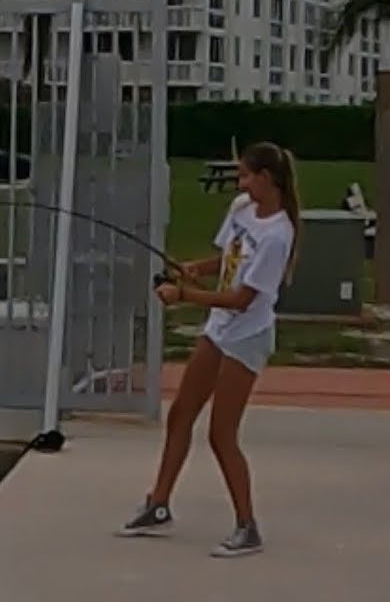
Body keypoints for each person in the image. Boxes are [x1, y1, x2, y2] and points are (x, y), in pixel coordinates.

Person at [115, 141, 301, 558]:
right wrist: (197, 269)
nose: (240, 182)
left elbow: (242, 299)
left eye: (246, 175)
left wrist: (182, 294)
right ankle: (158, 503)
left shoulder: (278, 235)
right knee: (181, 413)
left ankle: (247, 526)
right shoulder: (240, 209)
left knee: (221, 434)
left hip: (247, 336)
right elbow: (231, 258)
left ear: (266, 179)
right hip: (219, 329)